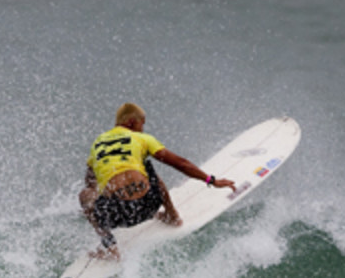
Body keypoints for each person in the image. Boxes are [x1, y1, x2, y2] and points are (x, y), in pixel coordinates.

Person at [80, 103, 236, 258]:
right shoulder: (141, 138)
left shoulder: (98, 143)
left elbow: (90, 182)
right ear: (131, 122)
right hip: (148, 205)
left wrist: (100, 209)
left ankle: (110, 248)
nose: (143, 128)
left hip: (118, 215)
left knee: (85, 195)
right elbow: (180, 163)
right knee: (147, 167)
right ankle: (172, 216)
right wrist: (211, 180)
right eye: (142, 123)